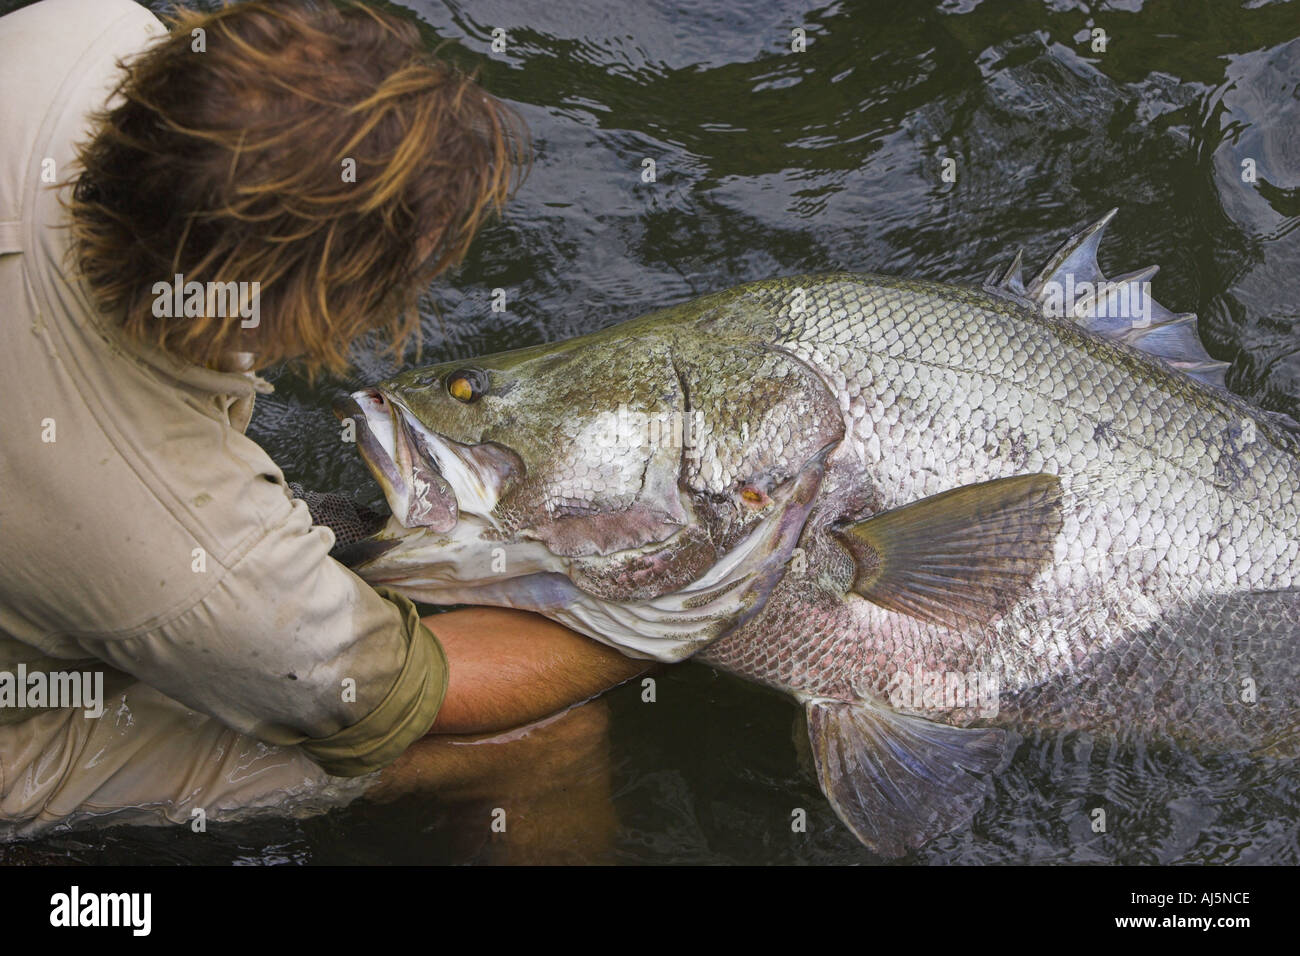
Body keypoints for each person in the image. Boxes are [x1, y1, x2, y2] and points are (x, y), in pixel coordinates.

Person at [0, 0, 644, 835]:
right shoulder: (196, 567)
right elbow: (422, 693)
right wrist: (689, 606)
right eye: (397, 280)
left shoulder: (76, 30)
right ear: (294, 305)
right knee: (544, 735)